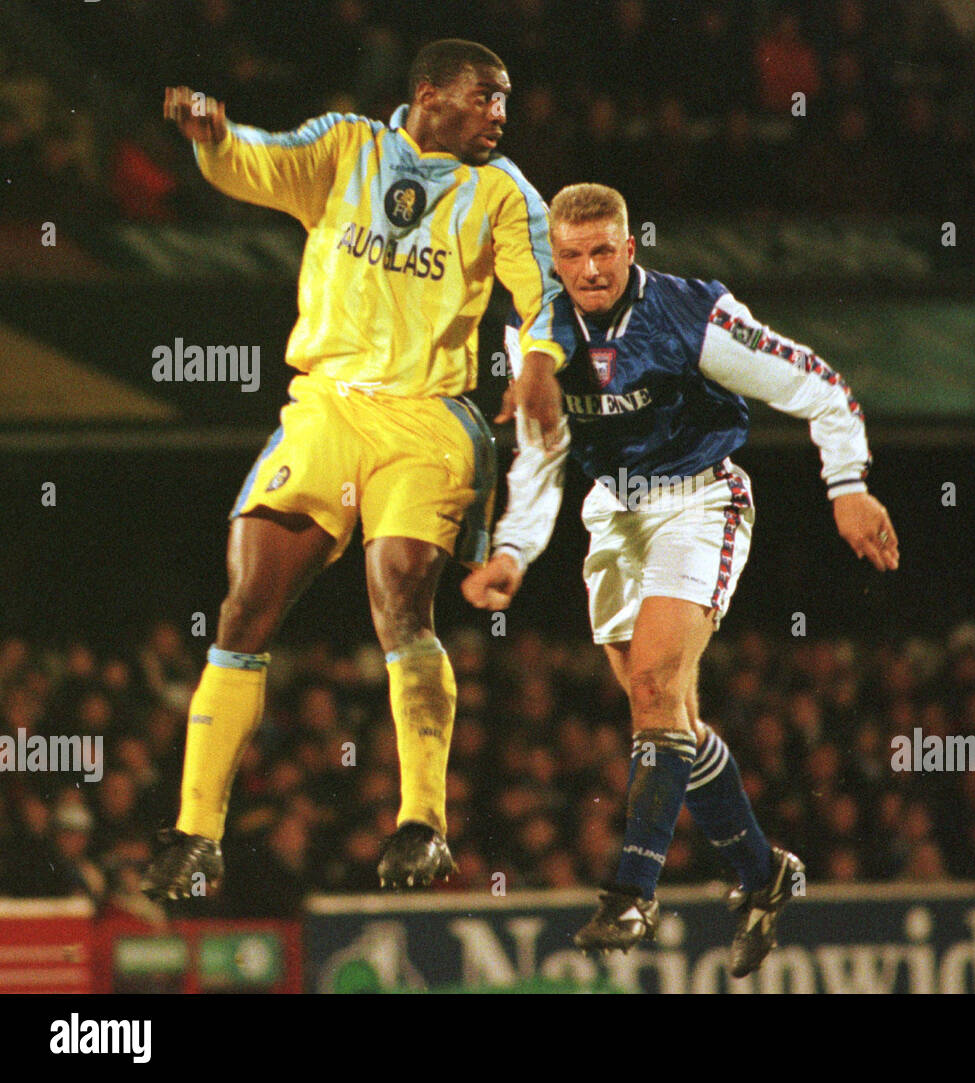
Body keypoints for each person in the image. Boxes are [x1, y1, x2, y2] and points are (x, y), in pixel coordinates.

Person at [142, 39, 567, 900]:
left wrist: (539, 361)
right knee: (245, 606)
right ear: (429, 95)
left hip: (428, 419)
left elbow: (545, 294)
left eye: (506, 101)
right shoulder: (347, 148)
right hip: (329, 405)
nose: (501, 114)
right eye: (487, 96)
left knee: (401, 596)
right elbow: (258, 164)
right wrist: (217, 137)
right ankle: (195, 836)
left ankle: (422, 822)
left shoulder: (503, 194)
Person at [463, 183, 899, 976]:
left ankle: (631, 888)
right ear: (552, 260)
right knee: (667, 716)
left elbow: (817, 383)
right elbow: (541, 455)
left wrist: (848, 486)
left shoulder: (694, 314)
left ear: (631, 248)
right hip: (611, 518)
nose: (590, 270)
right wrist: (512, 554)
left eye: (604, 251)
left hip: (700, 500)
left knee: (656, 686)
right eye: (572, 255)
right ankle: (763, 876)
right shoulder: (540, 334)